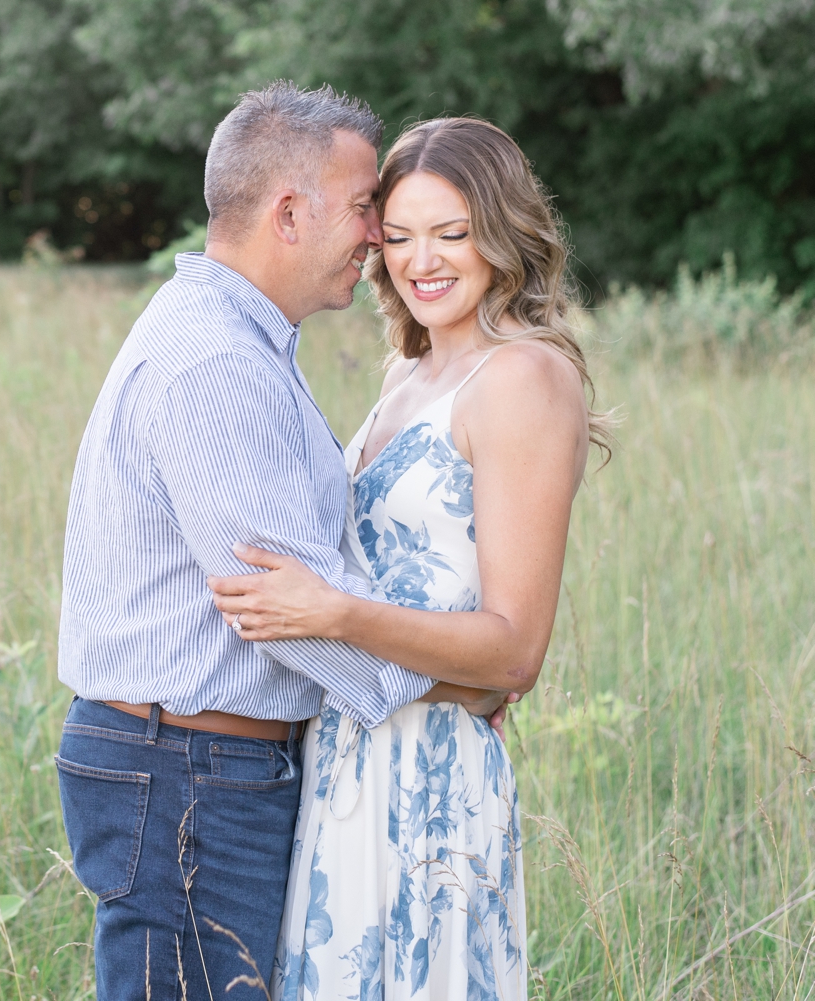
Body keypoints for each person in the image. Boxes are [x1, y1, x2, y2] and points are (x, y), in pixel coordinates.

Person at [54, 84, 508, 1001]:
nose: (375, 236)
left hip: (205, 768)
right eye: (361, 209)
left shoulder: (243, 340)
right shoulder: (216, 359)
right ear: (289, 213)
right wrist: (460, 679)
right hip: (187, 774)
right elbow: (283, 607)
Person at [208, 117, 614, 999]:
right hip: (348, 751)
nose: (419, 260)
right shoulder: (409, 369)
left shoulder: (524, 378)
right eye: (396, 236)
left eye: (451, 233)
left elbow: (513, 650)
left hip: (427, 777)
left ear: (502, 234)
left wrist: (335, 616)